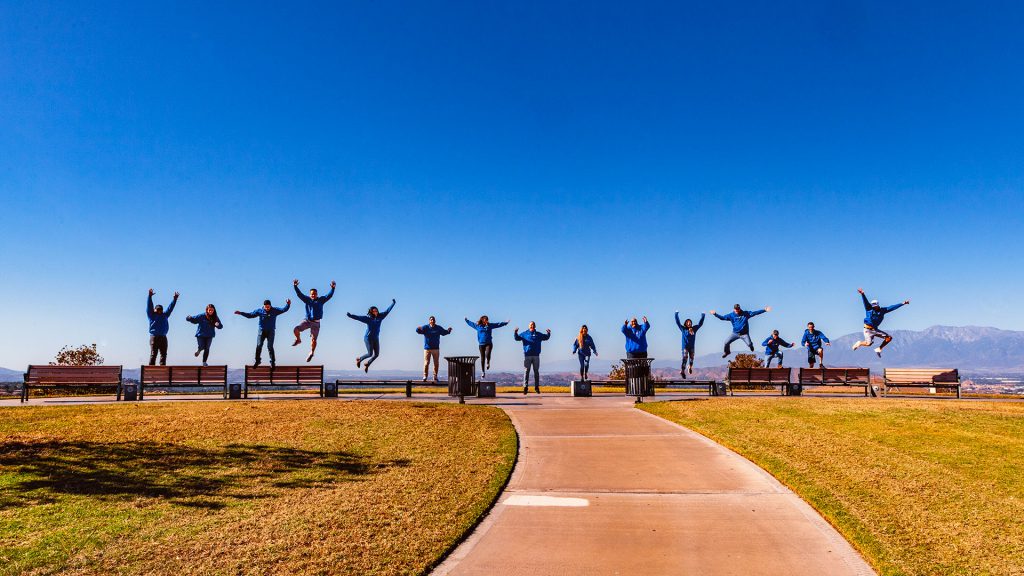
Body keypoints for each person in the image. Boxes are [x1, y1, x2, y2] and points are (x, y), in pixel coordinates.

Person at [852, 288, 910, 357]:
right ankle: (859, 343)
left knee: (889, 338)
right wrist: (862, 294)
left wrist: (903, 303)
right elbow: (865, 302)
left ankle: (879, 349)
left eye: (875, 306)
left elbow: (892, 307)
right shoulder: (869, 308)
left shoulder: (883, 310)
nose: (874, 307)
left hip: (875, 329)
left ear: (878, 305)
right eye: (873, 306)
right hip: (867, 330)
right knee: (868, 344)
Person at [235, 299, 291, 368]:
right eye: (266, 307)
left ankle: (272, 362)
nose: (267, 308)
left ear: (270, 306)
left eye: (268, 306)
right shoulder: (259, 311)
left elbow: (283, 310)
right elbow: (250, 315)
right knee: (259, 345)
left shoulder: (275, 310)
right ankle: (257, 361)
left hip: (271, 331)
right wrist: (241, 313)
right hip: (261, 331)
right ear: (263, 306)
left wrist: (288, 304)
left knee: (270, 346)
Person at [292, 279, 336, 362]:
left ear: (317, 294)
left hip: (316, 323)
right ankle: (298, 339)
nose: (313, 295)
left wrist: (333, 288)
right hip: (307, 321)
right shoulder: (307, 299)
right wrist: (295, 286)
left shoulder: (321, 300)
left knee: (314, 340)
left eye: (315, 294)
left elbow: (329, 296)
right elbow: (299, 294)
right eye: (312, 294)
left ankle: (311, 353)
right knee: (296, 329)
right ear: (310, 294)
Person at [347, 299, 396, 372]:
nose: (376, 312)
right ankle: (359, 359)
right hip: (368, 338)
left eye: (377, 310)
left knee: (376, 354)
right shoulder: (368, 319)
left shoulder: (380, 316)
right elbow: (358, 318)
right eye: (374, 311)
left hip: (376, 338)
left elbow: (387, 311)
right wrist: (351, 316)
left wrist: (393, 303)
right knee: (370, 354)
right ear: (371, 312)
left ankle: (367, 364)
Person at [514, 322, 550, 394]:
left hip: (536, 355)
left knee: (536, 372)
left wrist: (548, 333)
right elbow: (517, 338)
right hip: (527, 355)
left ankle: (536, 388)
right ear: (529, 326)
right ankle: (525, 388)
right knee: (526, 371)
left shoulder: (538, 334)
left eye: (533, 325)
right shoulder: (524, 334)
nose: (532, 326)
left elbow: (546, 337)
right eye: (531, 325)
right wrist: (515, 333)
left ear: (535, 326)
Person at [146, 289, 178, 366]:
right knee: (153, 355)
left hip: (163, 337)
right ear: (155, 310)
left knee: (163, 355)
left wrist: (174, 299)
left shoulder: (165, 315)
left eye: (161, 310)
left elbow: (170, 308)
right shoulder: (151, 315)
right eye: (158, 310)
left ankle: (162, 370)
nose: (159, 311)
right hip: (154, 337)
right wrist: (149, 296)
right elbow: (149, 306)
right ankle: (151, 371)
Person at [416, 316, 453, 382]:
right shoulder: (426, 327)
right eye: (431, 320)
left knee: (436, 363)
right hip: (427, 348)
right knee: (426, 363)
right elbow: (419, 331)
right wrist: (418, 329)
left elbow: (444, 332)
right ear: (429, 321)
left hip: (436, 349)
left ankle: (435, 376)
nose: (432, 321)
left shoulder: (438, 328)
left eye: (433, 320)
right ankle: (425, 376)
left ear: (435, 321)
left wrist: (448, 331)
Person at [674, 311, 705, 378]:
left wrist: (703, 315)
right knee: (685, 358)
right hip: (685, 347)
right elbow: (677, 322)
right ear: (685, 323)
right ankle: (682, 371)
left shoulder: (694, 329)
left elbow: (700, 324)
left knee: (691, 358)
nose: (689, 322)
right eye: (687, 322)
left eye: (690, 321)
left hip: (691, 347)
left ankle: (690, 367)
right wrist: (676, 314)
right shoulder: (683, 329)